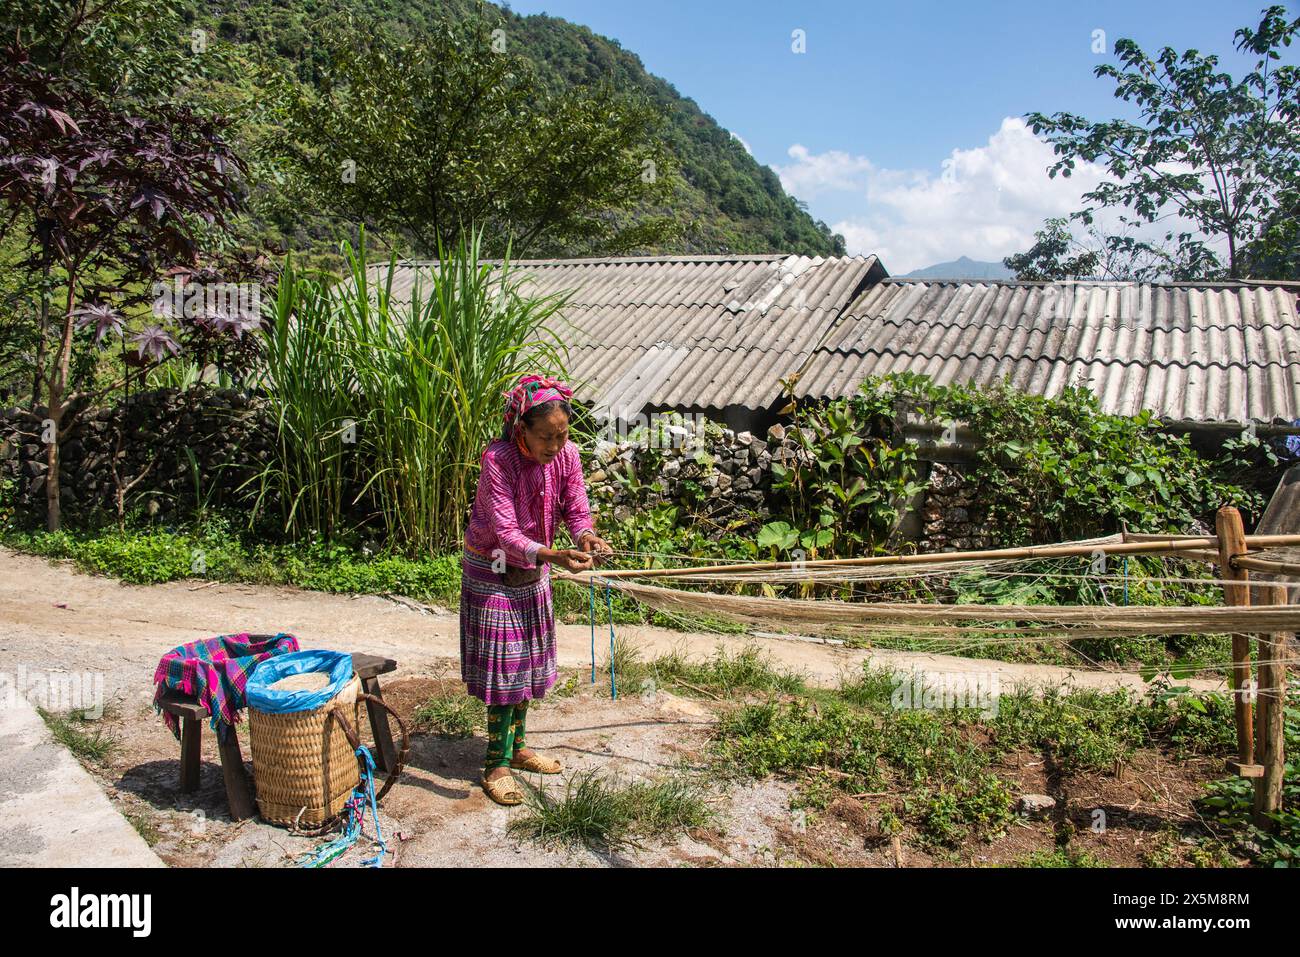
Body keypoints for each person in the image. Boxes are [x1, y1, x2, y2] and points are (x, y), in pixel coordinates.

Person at [460, 373, 612, 805]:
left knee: (525, 663)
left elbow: (576, 510)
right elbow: (506, 533)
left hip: (535, 570)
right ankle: (496, 763)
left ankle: (519, 747)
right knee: (505, 670)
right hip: (494, 569)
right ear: (520, 429)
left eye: (562, 435)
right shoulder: (498, 460)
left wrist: (586, 539)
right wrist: (553, 556)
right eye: (545, 437)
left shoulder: (567, 457)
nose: (555, 446)